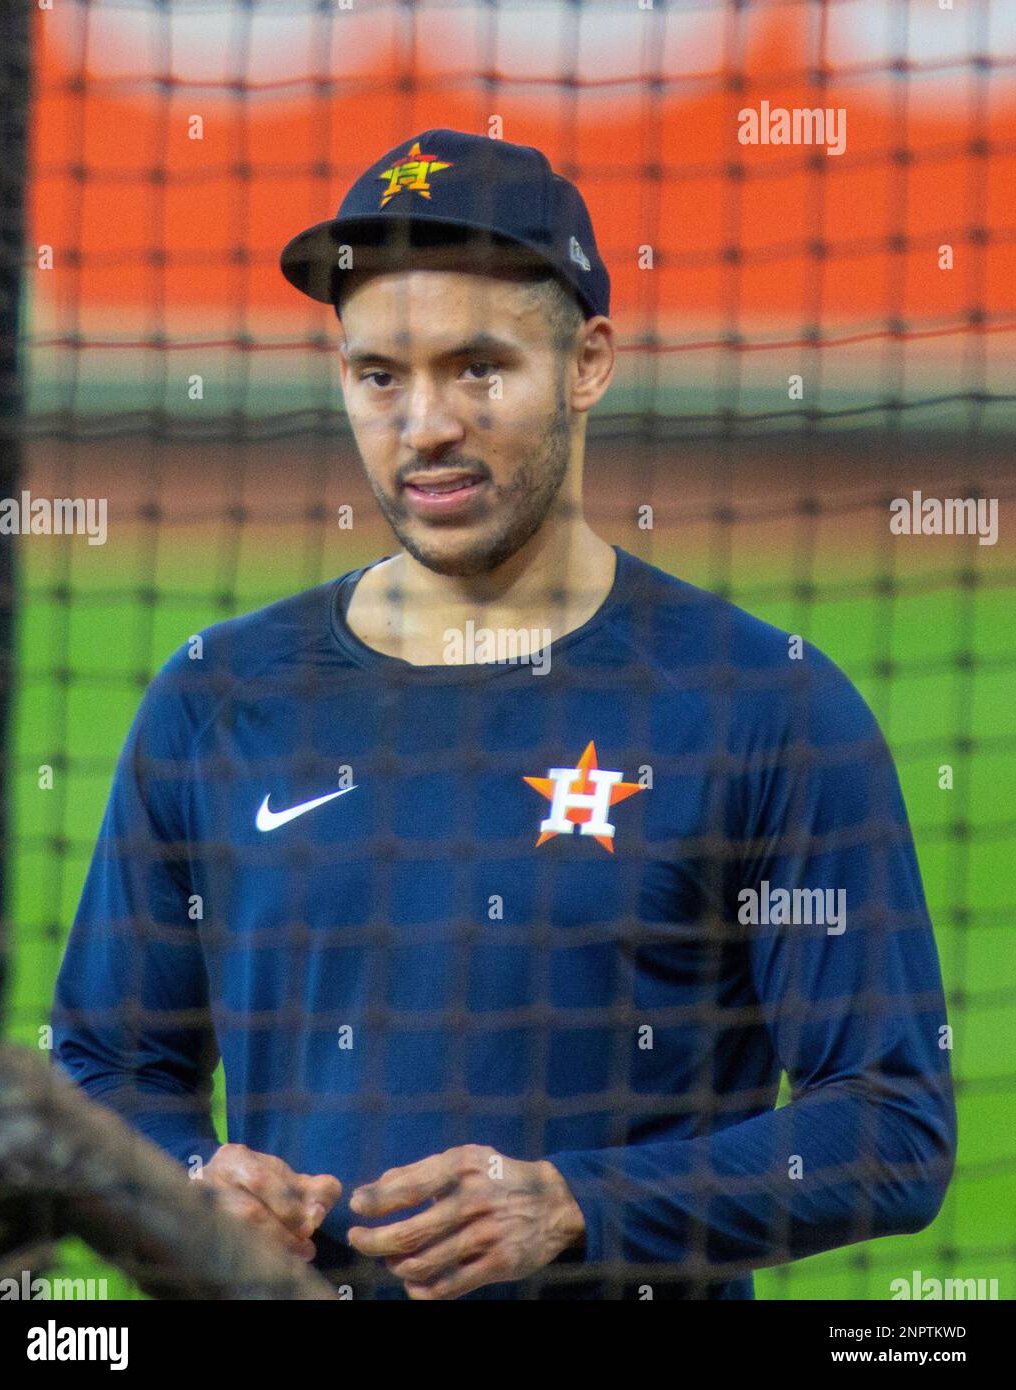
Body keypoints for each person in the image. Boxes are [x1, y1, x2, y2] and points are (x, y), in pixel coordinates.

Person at [52, 130, 956, 1300]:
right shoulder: (217, 697)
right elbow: (104, 1062)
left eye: (478, 368)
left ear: (587, 362)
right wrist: (188, 1179)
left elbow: (890, 1124)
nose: (423, 423)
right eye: (378, 374)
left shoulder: (764, 705)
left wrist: (583, 1206)